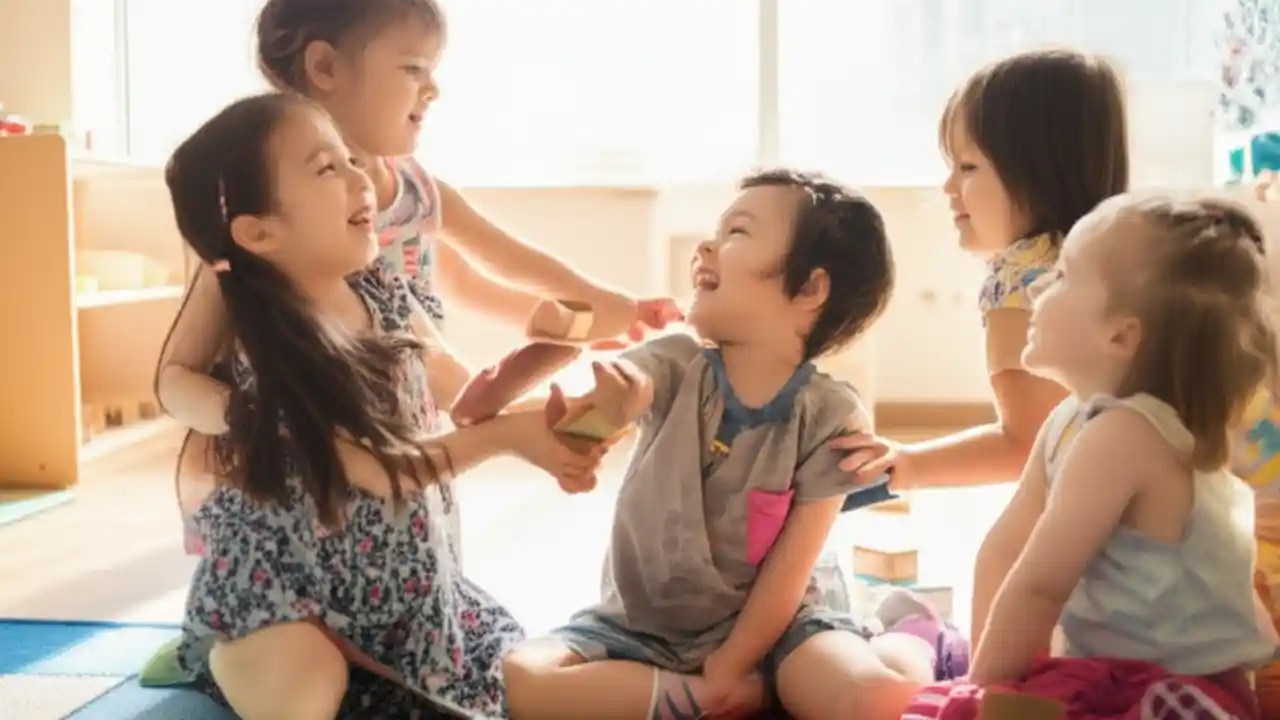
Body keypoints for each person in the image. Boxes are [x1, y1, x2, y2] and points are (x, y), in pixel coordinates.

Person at [167, 92, 611, 718]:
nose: (361, 178)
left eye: (351, 160)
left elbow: (461, 394)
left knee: (504, 683)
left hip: (398, 594)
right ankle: (232, 649)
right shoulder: (275, 350)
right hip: (288, 596)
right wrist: (510, 438)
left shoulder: (382, 289)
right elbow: (381, 471)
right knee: (307, 684)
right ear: (260, 233)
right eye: (327, 168)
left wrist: (553, 394)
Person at [502, 170, 939, 720]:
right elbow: (617, 396)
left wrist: (732, 662)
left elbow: (789, 572)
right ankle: (711, 698)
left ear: (809, 289)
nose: (706, 246)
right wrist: (601, 414)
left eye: (737, 231)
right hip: (639, 628)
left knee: (870, 697)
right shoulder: (675, 361)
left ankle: (912, 637)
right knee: (525, 677)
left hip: (781, 631)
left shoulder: (829, 414)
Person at [907, 193, 1278, 719]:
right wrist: (984, 685)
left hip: (1179, 687)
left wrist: (985, 696)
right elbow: (1005, 552)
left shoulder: (1128, 434)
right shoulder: (1068, 422)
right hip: (1109, 674)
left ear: (1120, 335)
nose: (1038, 287)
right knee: (958, 704)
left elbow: (1040, 588)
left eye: (1062, 276)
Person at [834, 49, 1129, 498]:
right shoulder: (1123, 256)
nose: (949, 187)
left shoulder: (1021, 277)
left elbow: (1026, 445)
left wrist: (911, 463)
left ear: (1039, 171)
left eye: (968, 167)